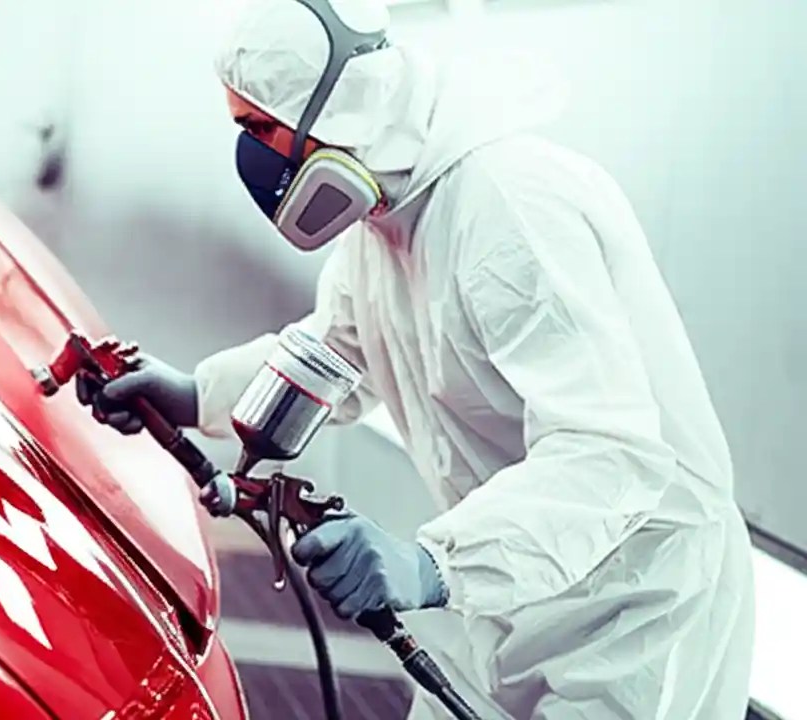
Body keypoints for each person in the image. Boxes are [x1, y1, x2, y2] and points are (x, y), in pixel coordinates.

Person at [76, 0, 755, 716]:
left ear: (333, 111)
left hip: (635, 604)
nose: (255, 157)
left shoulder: (510, 207)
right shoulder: (387, 221)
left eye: (259, 129)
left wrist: (431, 564)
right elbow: (336, 352)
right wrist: (196, 395)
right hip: (516, 585)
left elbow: (610, 455)